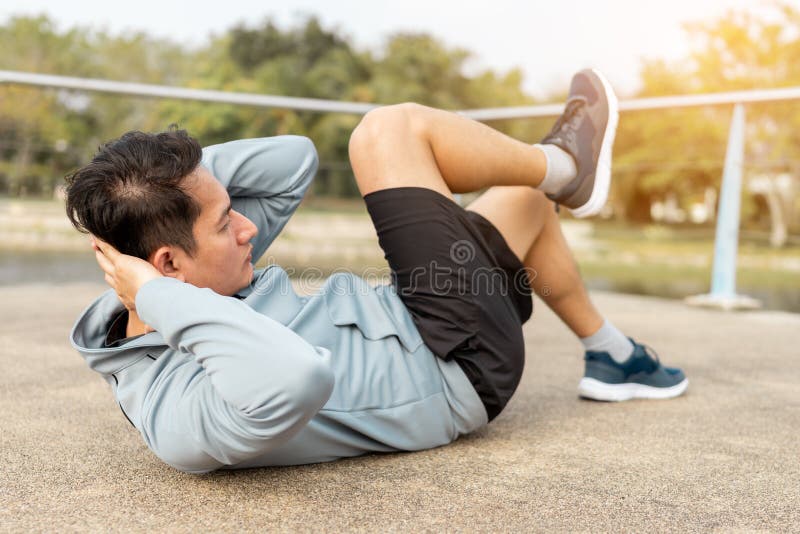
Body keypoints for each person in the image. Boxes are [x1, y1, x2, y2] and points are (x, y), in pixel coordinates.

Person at [67, 69, 687, 474]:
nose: (248, 226)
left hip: (419, 310)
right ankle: (563, 164)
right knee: (386, 132)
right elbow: (297, 375)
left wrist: (153, 188)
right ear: (167, 266)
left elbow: (291, 163)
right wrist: (162, 296)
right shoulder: (174, 416)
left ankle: (613, 355)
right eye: (226, 220)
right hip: (455, 366)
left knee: (524, 202)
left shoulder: (198, 269)